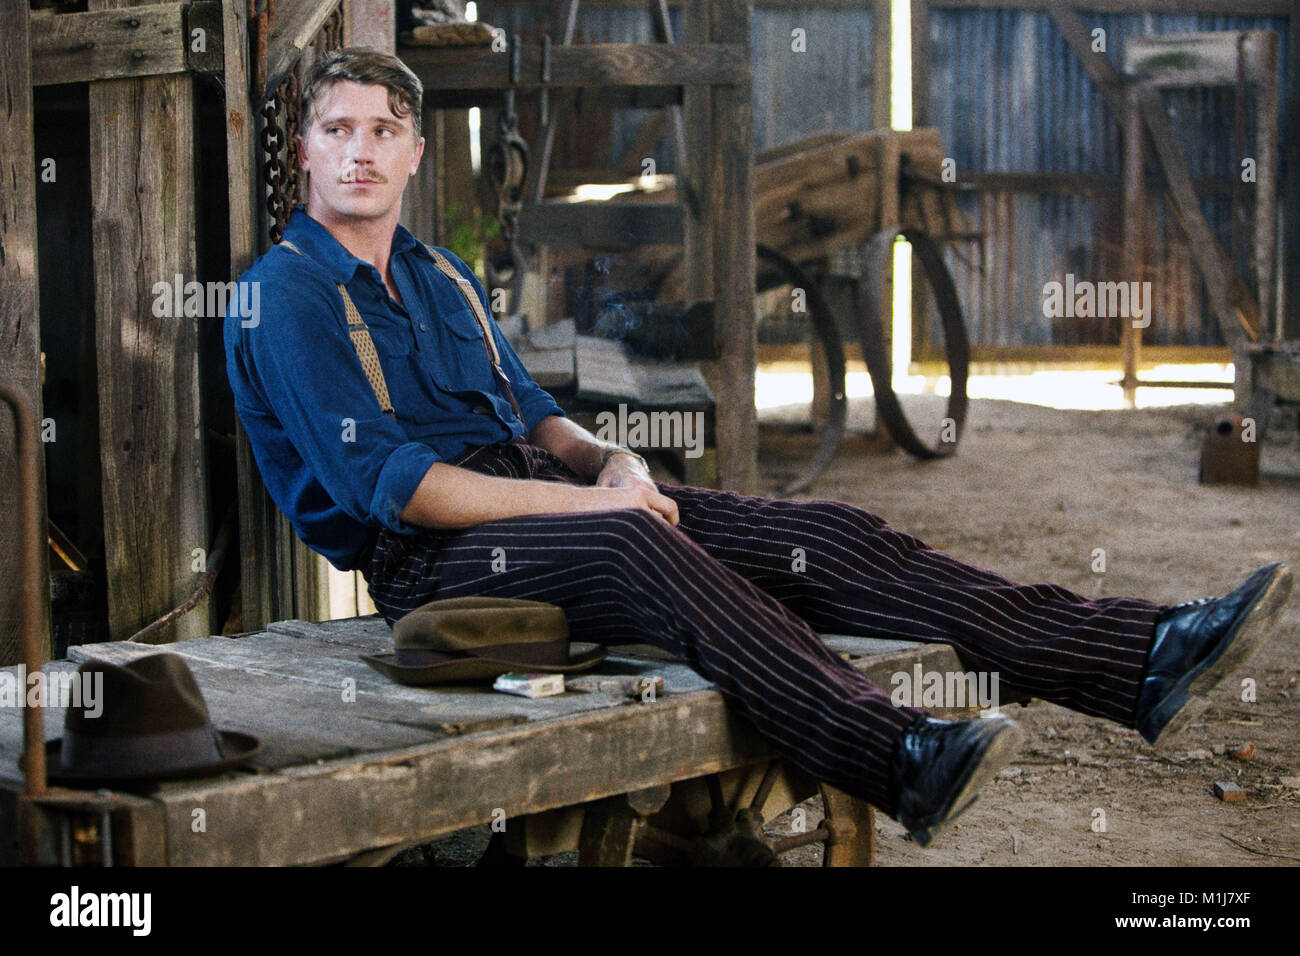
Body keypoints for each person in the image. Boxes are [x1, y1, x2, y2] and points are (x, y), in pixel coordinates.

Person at [224, 47, 1292, 850]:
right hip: (434, 560)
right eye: (337, 129)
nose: (360, 150)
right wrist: (596, 512)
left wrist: (609, 462)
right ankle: (899, 756)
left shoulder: (440, 273)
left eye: (382, 129)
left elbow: (531, 410)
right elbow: (398, 487)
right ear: (306, 151)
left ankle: (1134, 656)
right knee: (636, 550)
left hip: (550, 498)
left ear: (413, 150)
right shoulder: (288, 296)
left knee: (818, 532)